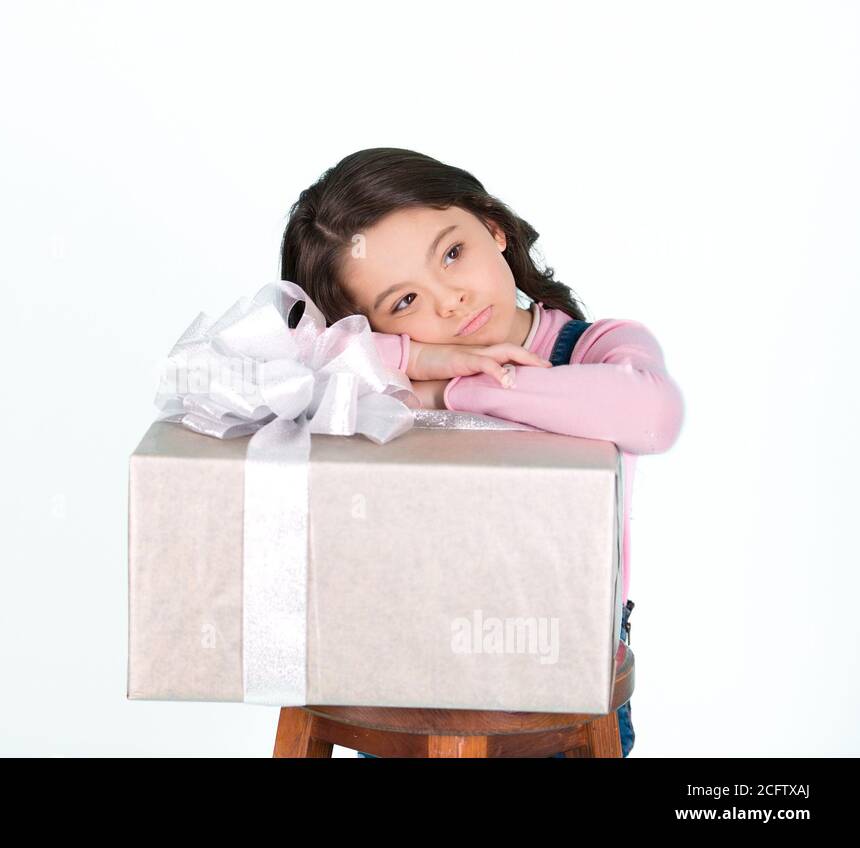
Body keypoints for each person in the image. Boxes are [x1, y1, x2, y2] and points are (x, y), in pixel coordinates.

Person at [279, 148, 684, 758]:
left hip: (560, 675)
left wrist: (460, 386)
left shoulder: (598, 349)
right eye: (404, 302)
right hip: (404, 678)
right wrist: (414, 361)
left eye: (452, 254)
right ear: (367, 329)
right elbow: (268, 368)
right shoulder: (375, 379)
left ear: (493, 229)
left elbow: (653, 415)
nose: (450, 301)